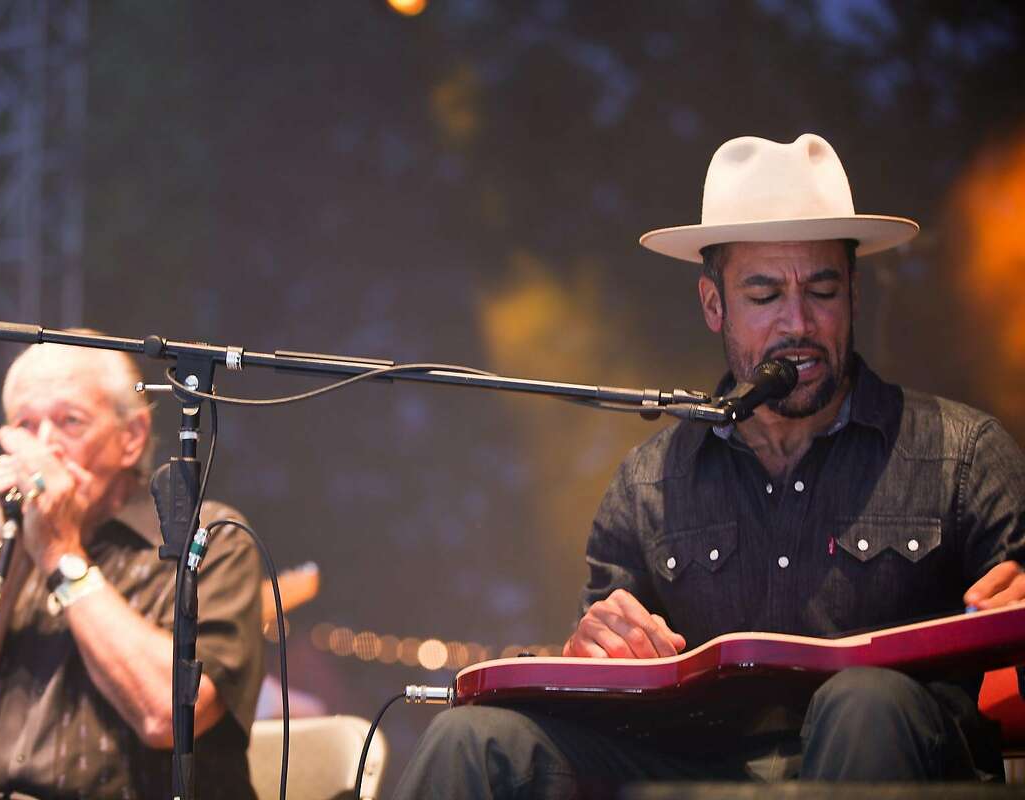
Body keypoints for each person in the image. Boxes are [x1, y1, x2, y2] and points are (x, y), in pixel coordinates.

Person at [393, 133, 1025, 797]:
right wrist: (597, 647)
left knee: (864, 700)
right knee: (471, 740)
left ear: (855, 295)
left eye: (822, 290)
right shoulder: (648, 483)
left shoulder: (962, 450)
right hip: (696, 775)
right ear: (713, 305)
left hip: (893, 758)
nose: (798, 323)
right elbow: (602, 693)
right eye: (764, 296)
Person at [0, 340, 263, 799]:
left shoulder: (206, 538)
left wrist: (59, 554)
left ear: (131, 438)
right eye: (26, 427)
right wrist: (13, 555)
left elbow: (168, 716)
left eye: (70, 421)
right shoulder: (5, 550)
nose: (45, 447)